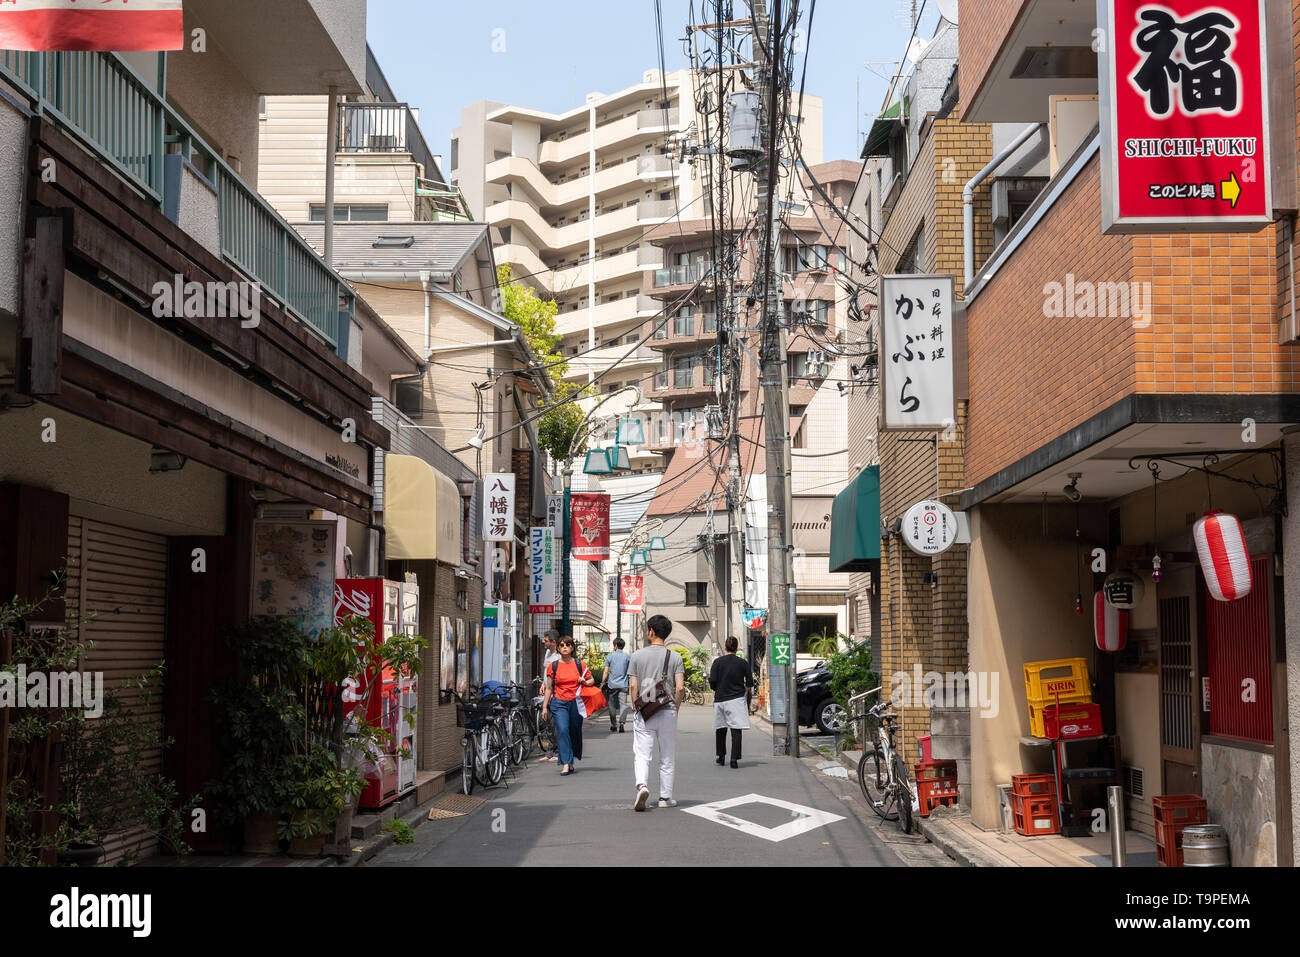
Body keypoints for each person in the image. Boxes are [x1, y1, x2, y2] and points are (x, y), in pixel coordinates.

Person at [628, 615, 684, 810]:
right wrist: (675, 709)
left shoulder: (637, 656)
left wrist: (636, 705)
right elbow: (680, 688)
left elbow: (633, 686)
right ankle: (665, 798)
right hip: (667, 710)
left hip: (645, 711)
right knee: (667, 755)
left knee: (642, 754)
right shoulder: (675, 657)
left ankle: (642, 786)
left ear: (651, 631)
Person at [540, 636, 594, 775]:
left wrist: (584, 681)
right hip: (559, 703)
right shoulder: (554, 666)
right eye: (562, 645)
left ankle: (570, 761)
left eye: (568, 645)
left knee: (574, 731)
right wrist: (545, 707)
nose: (565, 647)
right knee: (563, 730)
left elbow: (591, 680)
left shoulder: (579, 664)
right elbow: (549, 688)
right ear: (558, 648)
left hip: (576, 702)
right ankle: (565, 763)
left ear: (572, 647)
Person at [709, 636, 754, 768]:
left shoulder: (717, 662)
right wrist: (744, 692)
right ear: (737, 647)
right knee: (736, 730)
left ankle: (721, 756)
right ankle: (734, 759)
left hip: (720, 699)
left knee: (721, 728)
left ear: (725, 647)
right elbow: (750, 682)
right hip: (736, 699)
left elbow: (712, 680)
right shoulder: (743, 663)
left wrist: (717, 689)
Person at [537, 631, 562, 762]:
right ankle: (551, 750)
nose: (543, 642)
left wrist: (550, 689)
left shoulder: (558, 657)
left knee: (554, 723)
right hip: (547, 690)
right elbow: (546, 672)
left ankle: (557, 752)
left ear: (553, 642)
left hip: (555, 693)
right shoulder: (548, 654)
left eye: (546, 640)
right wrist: (543, 683)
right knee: (548, 722)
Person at [601, 637, 631, 732]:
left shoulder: (610, 656)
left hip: (612, 685)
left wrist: (602, 682)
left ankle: (614, 724)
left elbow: (606, 672)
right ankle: (622, 723)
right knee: (623, 705)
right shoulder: (627, 657)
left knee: (611, 705)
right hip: (623, 685)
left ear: (616, 646)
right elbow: (630, 672)